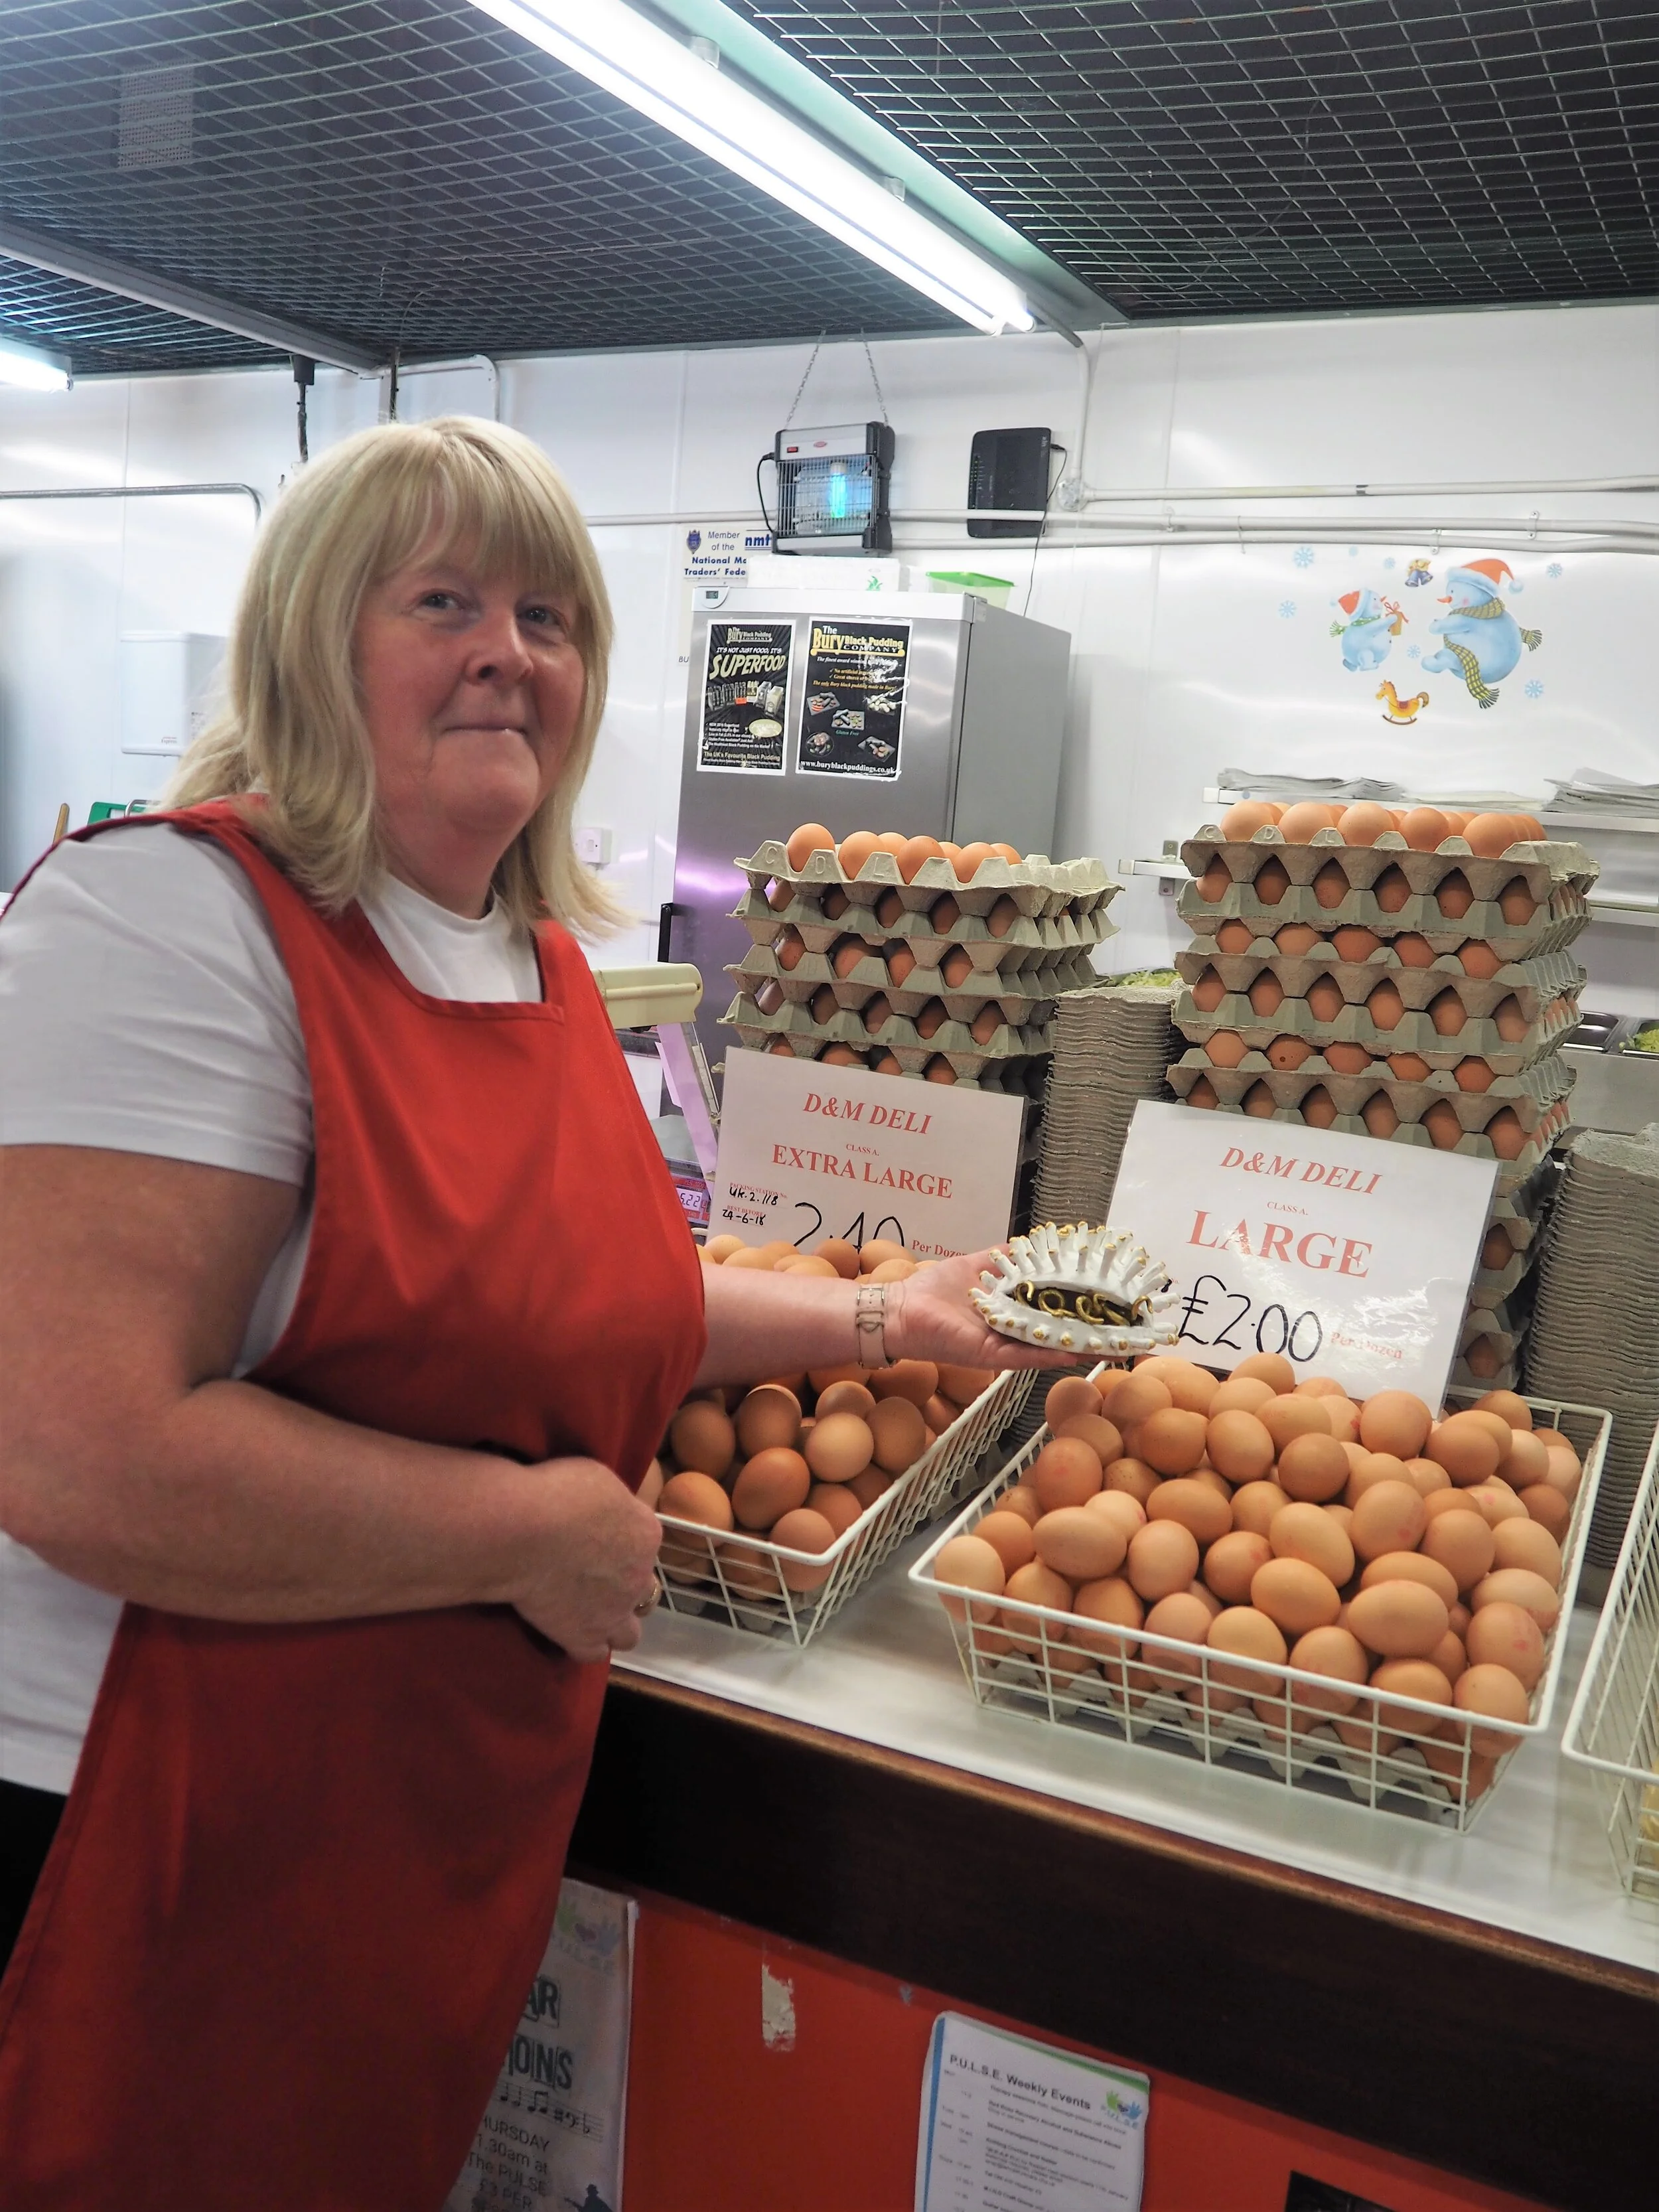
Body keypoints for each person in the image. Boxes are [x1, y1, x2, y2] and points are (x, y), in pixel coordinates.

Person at [0, 416, 1056, 2209]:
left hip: (408, 1825)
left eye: (551, 614)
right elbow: (79, 1450)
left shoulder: (537, 959)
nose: (510, 648)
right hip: (147, 1822)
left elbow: (590, 1299)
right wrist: (532, 1527)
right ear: (310, 643)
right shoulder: (175, 919)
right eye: (443, 600)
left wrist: (889, 1324)